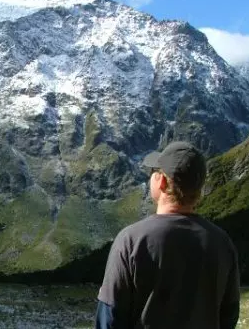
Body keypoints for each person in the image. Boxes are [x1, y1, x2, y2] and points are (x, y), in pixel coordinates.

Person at [95, 141, 240, 329]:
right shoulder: (222, 243)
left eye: (155, 171)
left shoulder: (131, 240)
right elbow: (229, 316)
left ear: (162, 182)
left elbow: (109, 317)